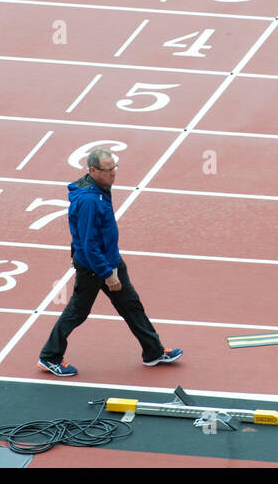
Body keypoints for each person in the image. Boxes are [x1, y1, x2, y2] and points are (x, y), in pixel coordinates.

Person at [37, 147, 181, 376]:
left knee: (131, 306)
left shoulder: (101, 187)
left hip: (109, 260)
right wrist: (107, 272)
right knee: (78, 311)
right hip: (95, 267)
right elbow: (88, 243)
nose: (113, 173)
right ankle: (49, 357)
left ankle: (153, 351)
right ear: (92, 170)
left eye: (114, 167)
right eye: (108, 169)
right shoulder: (89, 201)